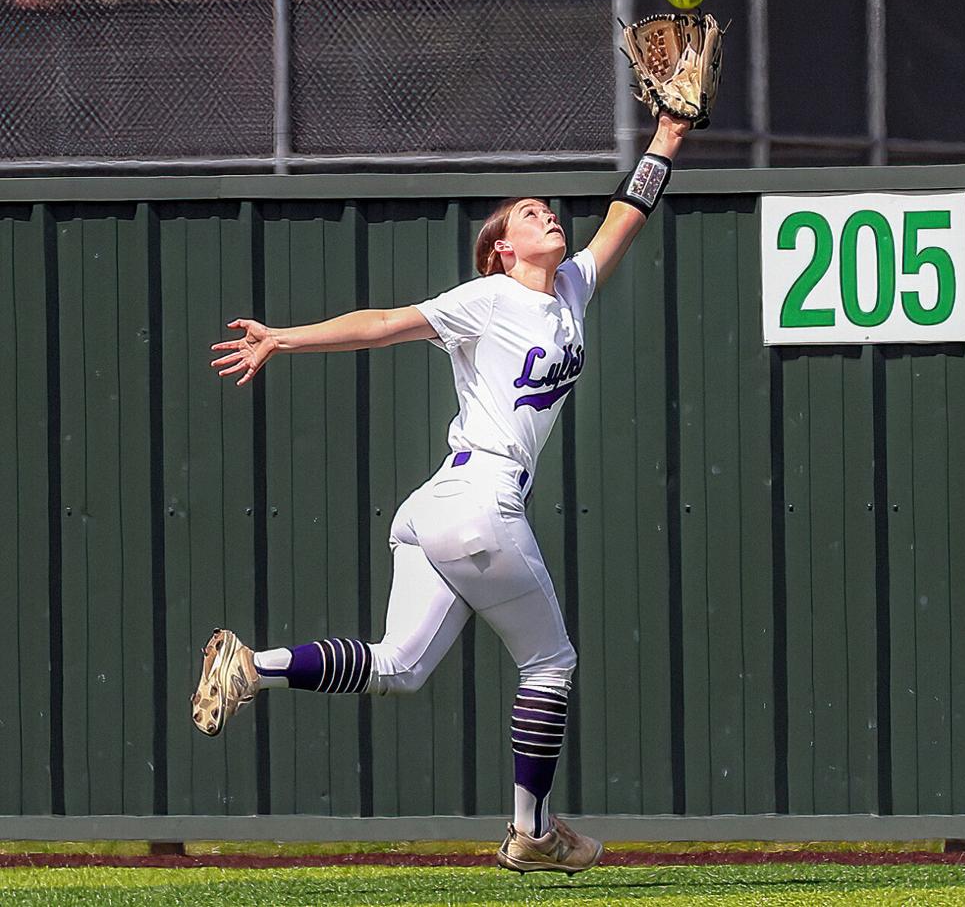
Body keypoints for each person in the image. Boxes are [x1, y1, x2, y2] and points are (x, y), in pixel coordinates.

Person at [192, 113, 690, 874]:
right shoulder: (487, 298)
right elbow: (386, 322)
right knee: (550, 664)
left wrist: (669, 134)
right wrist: (283, 338)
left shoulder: (572, 289)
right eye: (528, 214)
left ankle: (252, 666)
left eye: (548, 210)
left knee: (400, 667)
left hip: (436, 507)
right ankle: (533, 831)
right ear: (500, 251)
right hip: (482, 500)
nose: (547, 214)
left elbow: (630, 210)